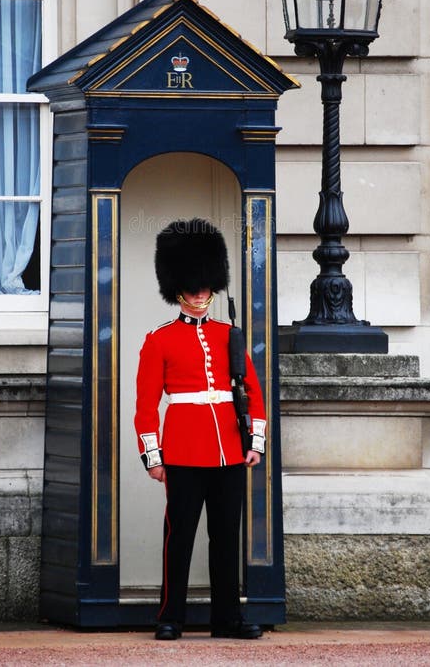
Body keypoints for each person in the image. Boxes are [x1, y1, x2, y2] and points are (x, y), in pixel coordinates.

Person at [134, 218, 267, 641]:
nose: (199, 294)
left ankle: (226, 618)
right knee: (180, 537)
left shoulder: (230, 336)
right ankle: (170, 615)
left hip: (229, 449)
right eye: (192, 287)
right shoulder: (160, 340)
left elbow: (251, 391)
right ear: (177, 290)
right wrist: (153, 456)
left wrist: (255, 443)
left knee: (226, 538)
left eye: (204, 286)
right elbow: (145, 405)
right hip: (183, 451)